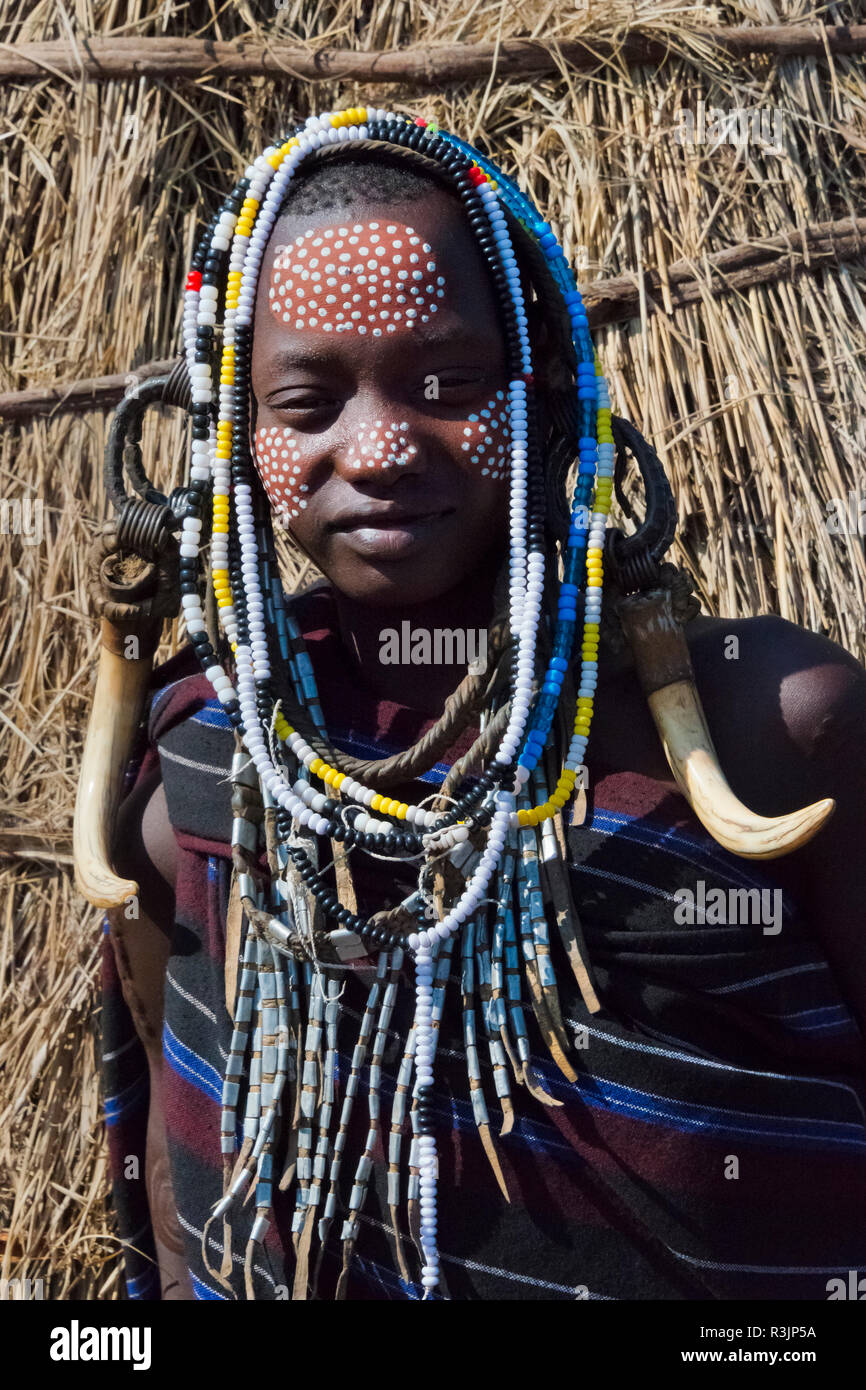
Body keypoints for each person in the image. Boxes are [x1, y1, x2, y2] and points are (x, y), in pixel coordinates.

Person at [98, 105, 866, 1302]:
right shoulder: (207, 756)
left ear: (547, 391)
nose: (381, 447)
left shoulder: (770, 728)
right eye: (307, 407)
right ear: (234, 440)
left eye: (447, 383)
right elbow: (178, 1142)